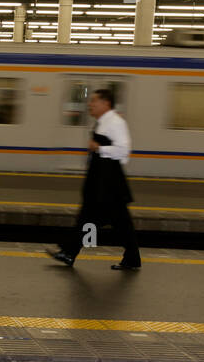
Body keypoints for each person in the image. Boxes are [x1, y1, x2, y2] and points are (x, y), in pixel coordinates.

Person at [47, 88, 141, 271]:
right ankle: (70, 252)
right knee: (104, 219)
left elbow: (124, 152)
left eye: (94, 101)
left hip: (108, 181)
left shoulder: (116, 122)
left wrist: (99, 148)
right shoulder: (102, 122)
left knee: (107, 220)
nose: (90, 104)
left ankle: (69, 252)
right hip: (100, 179)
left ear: (106, 103)